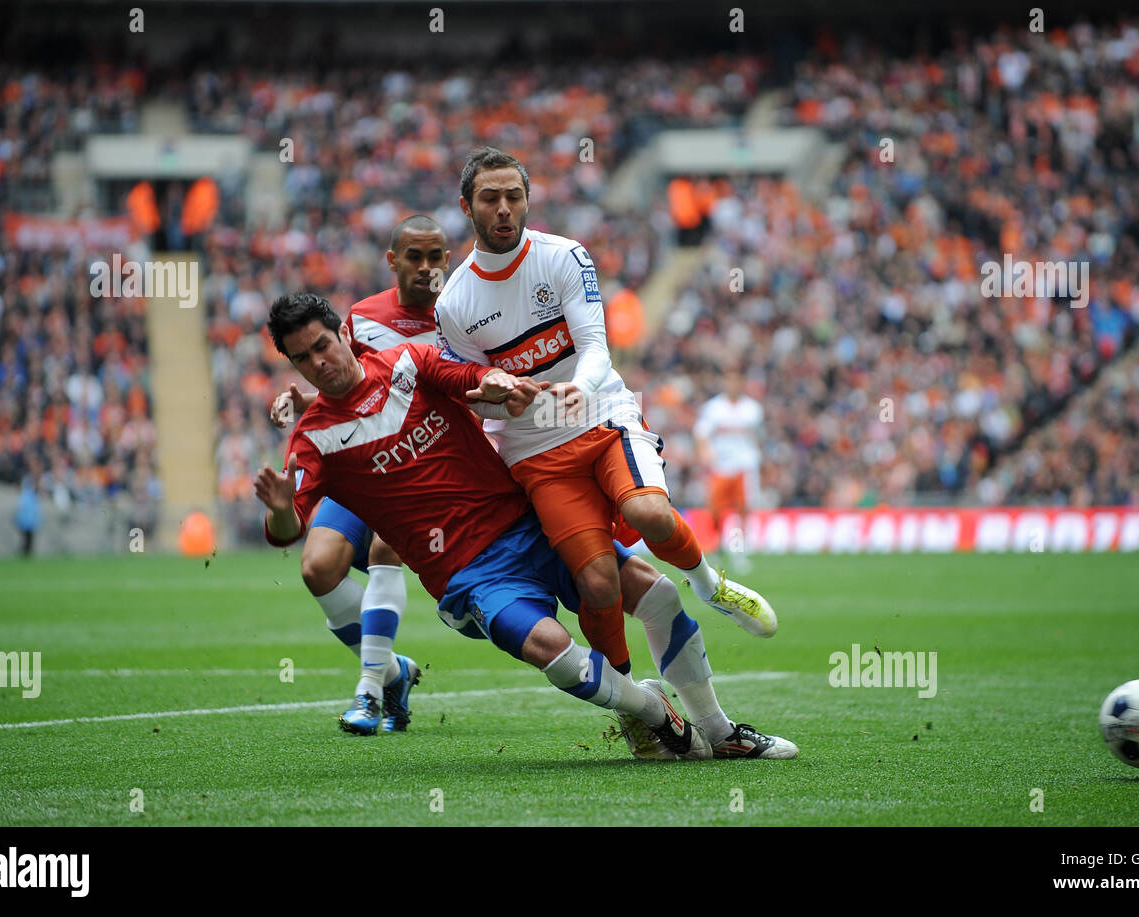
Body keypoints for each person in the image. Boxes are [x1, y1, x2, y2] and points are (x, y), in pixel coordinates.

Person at [273, 217, 757, 749]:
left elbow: (462, 375)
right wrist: (279, 511)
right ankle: (653, 713)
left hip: (523, 517)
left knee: (650, 590)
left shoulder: (417, 352)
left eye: (324, 344)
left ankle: (718, 728)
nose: (320, 361)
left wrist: (497, 382)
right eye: (303, 357)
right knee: (550, 649)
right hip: (467, 569)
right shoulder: (315, 433)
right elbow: (285, 527)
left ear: (344, 333)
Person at [434, 147, 777, 684]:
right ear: (466, 206)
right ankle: (634, 702)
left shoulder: (565, 256)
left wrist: (578, 386)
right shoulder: (453, 303)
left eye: (513, 196)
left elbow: (596, 342)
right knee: (597, 584)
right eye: (490, 198)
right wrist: (500, 395)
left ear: (528, 201)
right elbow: (471, 391)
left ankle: (712, 586)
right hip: (534, 447)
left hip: (600, 411)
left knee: (650, 515)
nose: (503, 208)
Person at [268, 215, 451, 736]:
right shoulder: (363, 317)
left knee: (384, 547)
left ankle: (369, 691)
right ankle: (395, 673)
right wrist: (305, 399)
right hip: (364, 457)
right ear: (393, 261)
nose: (425, 268)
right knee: (317, 568)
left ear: (448, 258)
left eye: (434, 256)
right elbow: (357, 386)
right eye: (412, 257)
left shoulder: (466, 310)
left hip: (429, 460)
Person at [693, 372, 764, 573]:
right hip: (721, 466)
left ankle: (738, 551)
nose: (732, 384)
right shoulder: (714, 408)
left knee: (742, 510)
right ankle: (717, 545)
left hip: (745, 465)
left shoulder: (753, 409)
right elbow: (701, 433)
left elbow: (758, 437)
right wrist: (705, 451)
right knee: (716, 511)